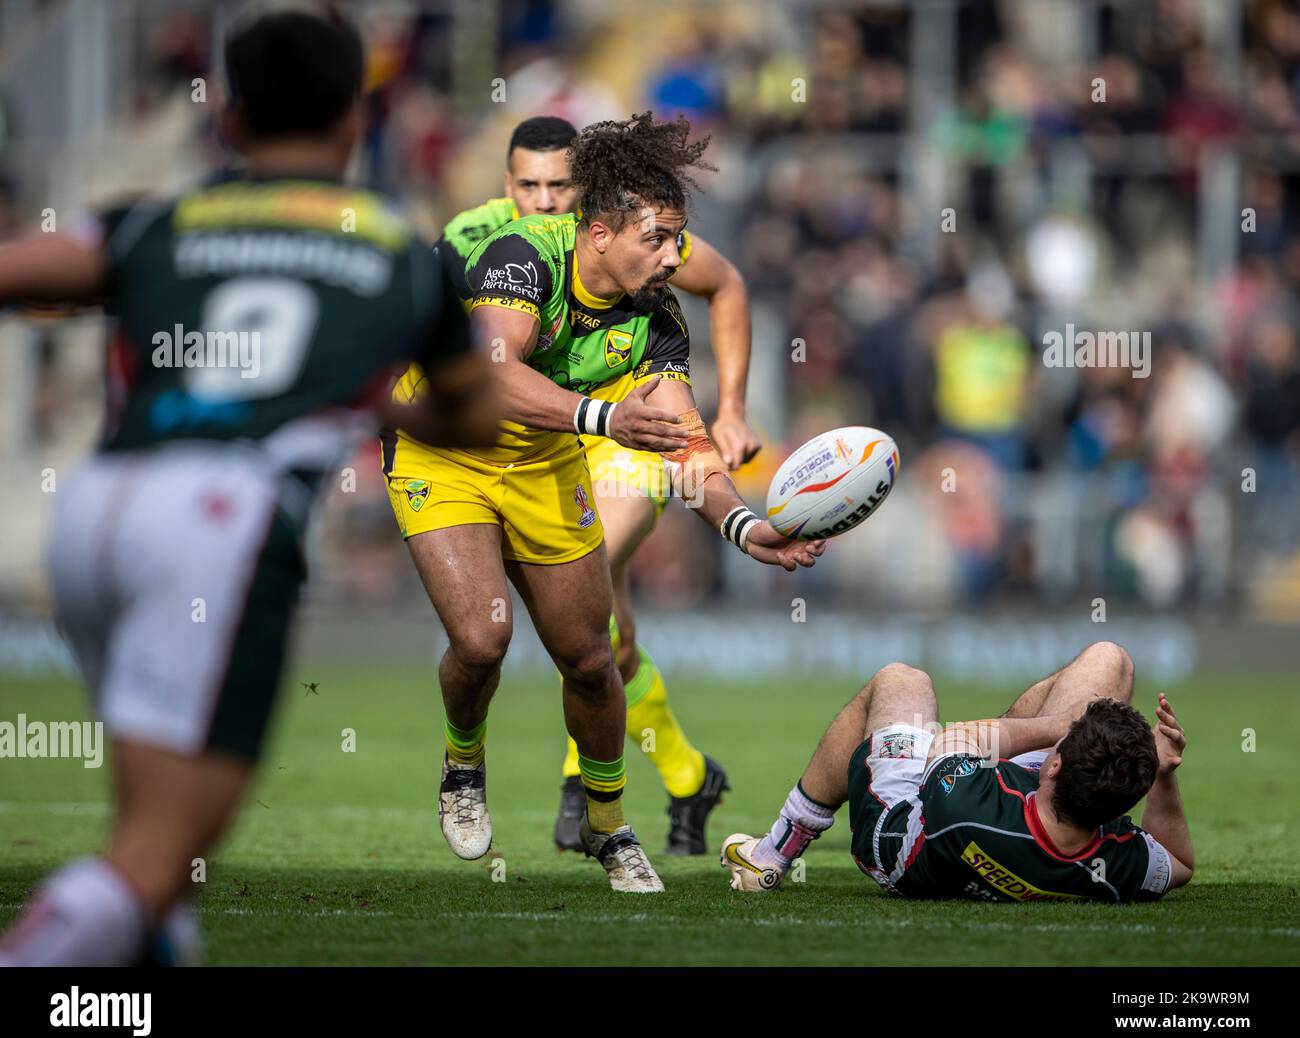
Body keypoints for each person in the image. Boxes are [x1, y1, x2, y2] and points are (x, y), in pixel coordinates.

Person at [0, 9, 498, 966]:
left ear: (227, 118)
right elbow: (474, 417)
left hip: (97, 510)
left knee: (150, 847)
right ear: (357, 119)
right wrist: (368, 404)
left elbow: (29, 271)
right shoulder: (398, 246)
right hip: (217, 526)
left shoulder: (161, 217)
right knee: (160, 855)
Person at [388, 112, 822, 893]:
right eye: (656, 240)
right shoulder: (521, 254)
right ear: (596, 233)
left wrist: (746, 526)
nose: (672, 257)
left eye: (676, 240)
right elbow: (494, 374)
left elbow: (685, 441)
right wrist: (606, 417)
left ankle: (609, 825)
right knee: (484, 638)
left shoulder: (657, 317)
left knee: (592, 658)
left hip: (543, 460)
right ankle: (462, 763)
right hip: (445, 451)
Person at [723, 642, 1194, 903]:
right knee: (1111, 659)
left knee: (904, 681)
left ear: (1054, 765)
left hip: (906, 830)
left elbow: (959, 739)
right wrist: (1163, 774)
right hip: (1031, 818)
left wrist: (1064, 725)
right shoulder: (1119, 864)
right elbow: (1180, 864)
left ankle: (775, 851)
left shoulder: (965, 804)